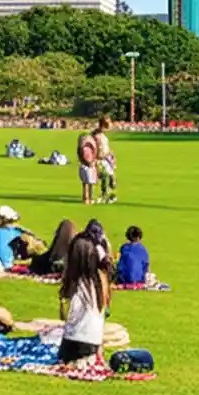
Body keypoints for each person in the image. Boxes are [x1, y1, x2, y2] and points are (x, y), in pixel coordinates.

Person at [58, 236, 109, 368]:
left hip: (74, 342)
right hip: (94, 342)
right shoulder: (100, 280)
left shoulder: (74, 284)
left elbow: (65, 317)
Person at [94, 117, 117, 204]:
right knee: (105, 177)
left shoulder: (102, 135)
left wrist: (111, 153)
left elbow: (105, 147)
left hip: (107, 158)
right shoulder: (97, 135)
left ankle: (110, 194)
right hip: (101, 159)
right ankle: (105, 195)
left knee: (112, 179)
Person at [77, 130, 99, 205]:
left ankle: (89, 197)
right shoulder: (81, 148)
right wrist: (88, 163)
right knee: (86, 183)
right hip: (86, 165)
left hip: (89, 165)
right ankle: (86, 198)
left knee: (90, 183)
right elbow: (81, 157)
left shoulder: (90, 147)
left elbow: (95, 154)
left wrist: (93, 162)